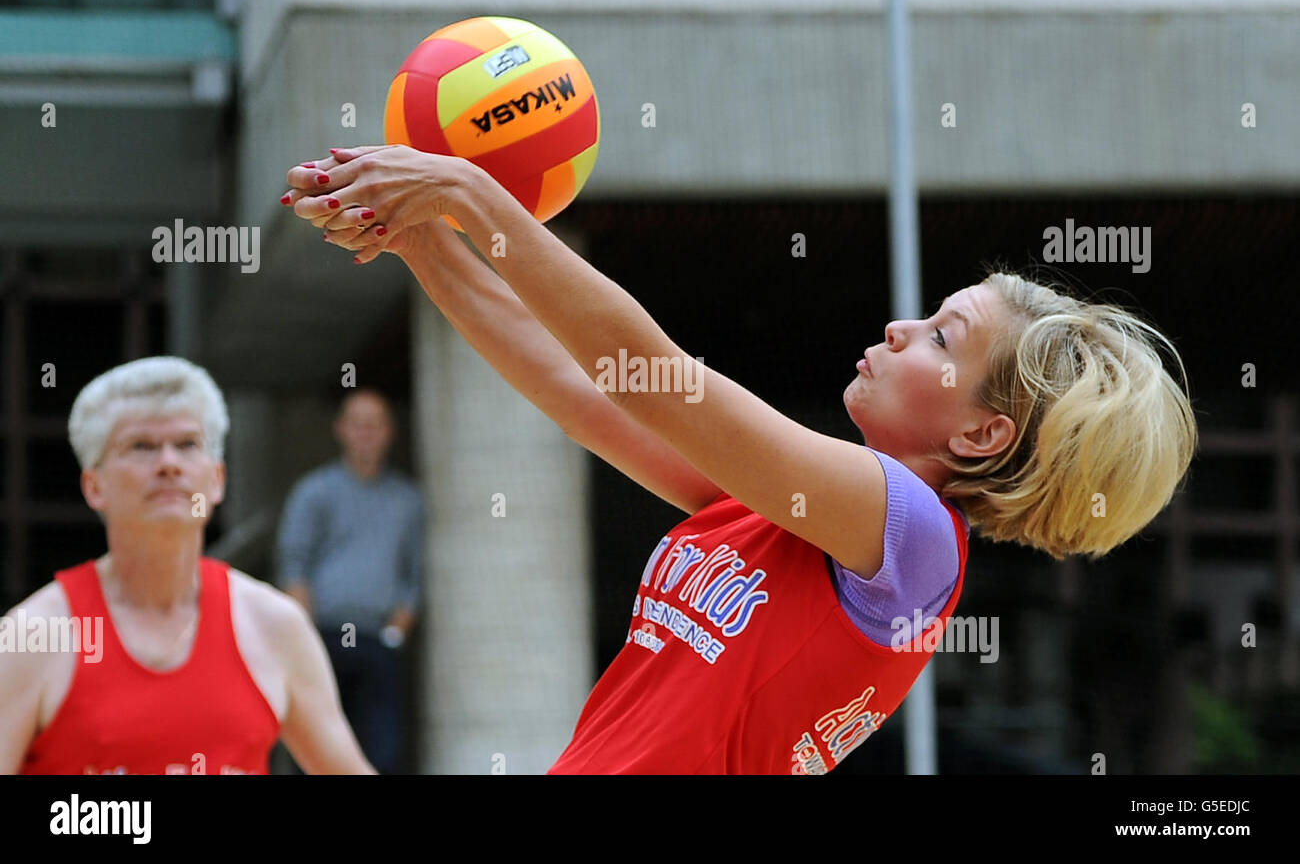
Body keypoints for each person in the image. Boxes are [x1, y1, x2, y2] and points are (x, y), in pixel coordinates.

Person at [281, 146, 1197, 774]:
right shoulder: (791, 511)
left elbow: (656, 381)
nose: (899, 327)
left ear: (981, 434)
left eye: (940, 335)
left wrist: (471, 196)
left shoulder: (917, 535)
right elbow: (575, 388)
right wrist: (417, 236)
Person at [0, 356, 374, 775]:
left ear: (217, 481)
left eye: (187, 445)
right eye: (140, 446)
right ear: (94, 486)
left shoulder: (275, 625)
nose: (168, 463)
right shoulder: (33, 635)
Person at [276, 388, 424, 775]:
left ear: (389, 431)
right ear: (342, 429)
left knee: (381, 750)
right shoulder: (314, 491)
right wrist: (304, 637)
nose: (366, 434)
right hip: (322, 639)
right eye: (358, 425)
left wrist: (395, 635)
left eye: (374, 425)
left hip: (378, 641)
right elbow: (294, 565)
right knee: (314, 753)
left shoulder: (407, 500)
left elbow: (414, 577)